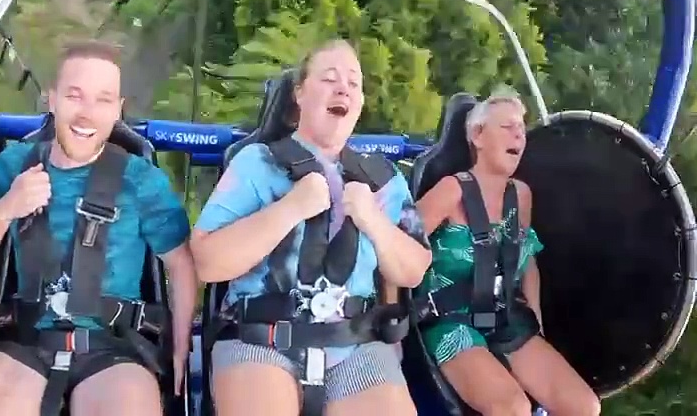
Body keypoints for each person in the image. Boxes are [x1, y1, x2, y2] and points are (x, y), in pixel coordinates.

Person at [0, 40, 197, 416]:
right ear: (52, 99)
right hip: (28, 339)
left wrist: (180, 349)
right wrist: (5, 209)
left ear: (117, 109)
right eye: (74, 96)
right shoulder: (17, 164)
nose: (87, 114)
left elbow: (180, 262)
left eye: (102, 100)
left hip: (114, 346)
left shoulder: (141, 179)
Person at [190, 39, 432, 416]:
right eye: (329, 79)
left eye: (353, 83)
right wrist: (290, 208)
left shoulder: (383, 179)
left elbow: (413, 271)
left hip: (354, 343)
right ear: (299, 93)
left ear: (360, 102)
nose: (343, 89)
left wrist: (372, 220)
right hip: (262, 337)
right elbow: (207, 262)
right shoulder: (257, 162)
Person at [415, 87, 600, 416]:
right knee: (513, 408)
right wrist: (391, 323)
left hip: (506, 316)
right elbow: (397, 245)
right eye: (507, 126)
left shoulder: (521, 196)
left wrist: (535, 323)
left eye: (521, 129)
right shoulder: (450, 190)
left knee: (584, 407)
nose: (518, 135)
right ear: (478, 136)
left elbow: (527, 260)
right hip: (450, 320)